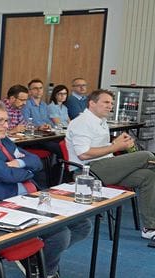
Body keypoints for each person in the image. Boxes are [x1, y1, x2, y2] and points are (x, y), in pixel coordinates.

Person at [0, 100, 91, 278]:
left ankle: (37, 258)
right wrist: (26, 170)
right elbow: (7, 175)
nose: (6, 125)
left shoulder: (4, 141)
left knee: (83, 224)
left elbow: (36, 161)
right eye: (0, 121)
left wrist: (19, 163)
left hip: (30, 195)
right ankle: (41, 267)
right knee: (60, 235)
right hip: (5, 201)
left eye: (6, 120)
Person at [66, 89, 155, 240]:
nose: (110, 106)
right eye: (106, 102)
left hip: (105, 166)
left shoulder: (101, 121)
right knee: (146, 156)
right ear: (92, 103)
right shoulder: (82, 122)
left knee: (148, 176)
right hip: (87, 171)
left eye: (112, 103)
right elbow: (83, 154)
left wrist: (115, 144)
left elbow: (102, 148)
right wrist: (115, 147)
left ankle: (150, 228)